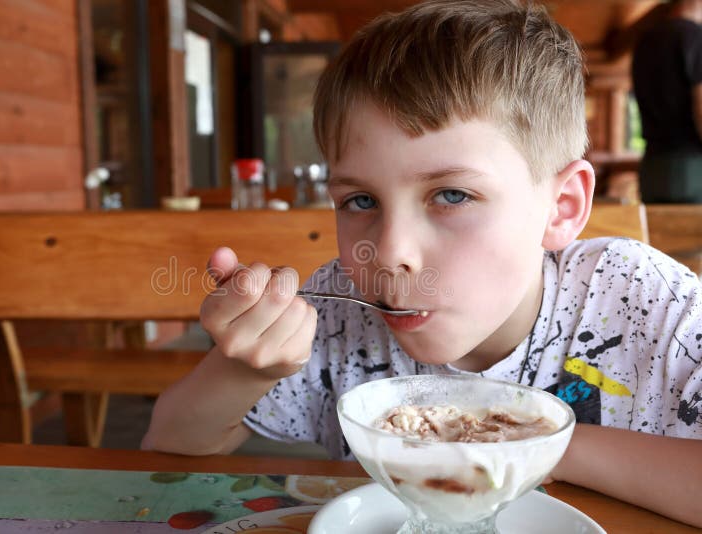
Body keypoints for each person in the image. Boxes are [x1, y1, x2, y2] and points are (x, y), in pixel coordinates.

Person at [143, 0, 702, 526]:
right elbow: (167, 453)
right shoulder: (338, 317)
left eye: (452, 196)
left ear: (562, 207)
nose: (388, 253)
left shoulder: (640, 303)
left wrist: (540, 447)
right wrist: (244, 369)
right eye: (360, 201)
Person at [632, 0, 702, 203]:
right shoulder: (696, 37)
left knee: (653, 235)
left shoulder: (644, 40)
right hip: (690, 171)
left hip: (651, 169)